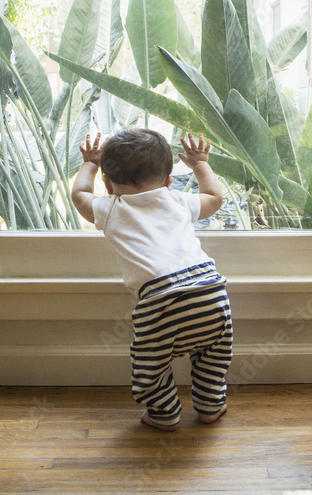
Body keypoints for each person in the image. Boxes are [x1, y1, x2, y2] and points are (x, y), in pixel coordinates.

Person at [71, 127, 232, 432]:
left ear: (107, 183)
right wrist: (200, 164)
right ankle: (211, 405)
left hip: (160, 303)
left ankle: (164, 413)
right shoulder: (177, 201)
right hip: (211, 292)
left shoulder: (109, 208)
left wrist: (90, 163)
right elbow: (214, 196)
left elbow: (79, 195)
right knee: (213, 357)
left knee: (152, 366)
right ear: (168, 181)